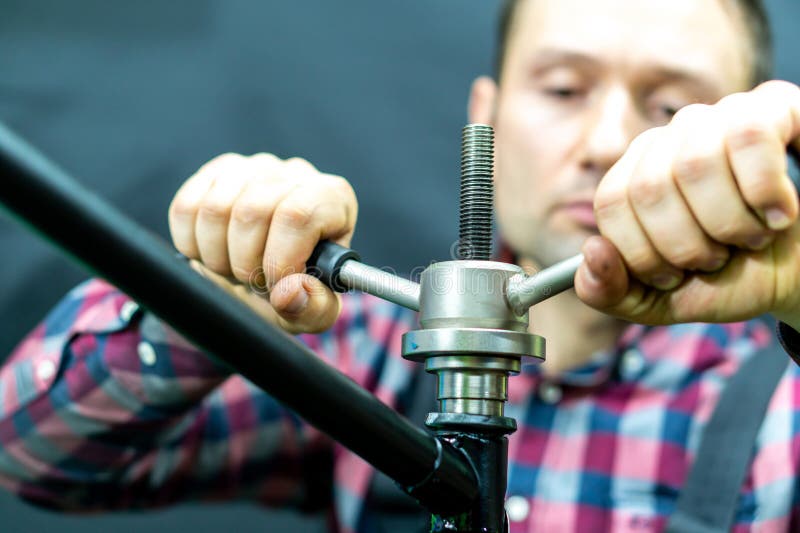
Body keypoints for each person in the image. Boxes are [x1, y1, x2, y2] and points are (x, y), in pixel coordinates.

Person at [2, 0, 800, 531]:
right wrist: (207, 306)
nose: (603, 142)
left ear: (741, 143)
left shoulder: (777, 414)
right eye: (562, 89)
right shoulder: (366, 356)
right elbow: (29, 456)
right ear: (485, 116)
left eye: (669, 109)